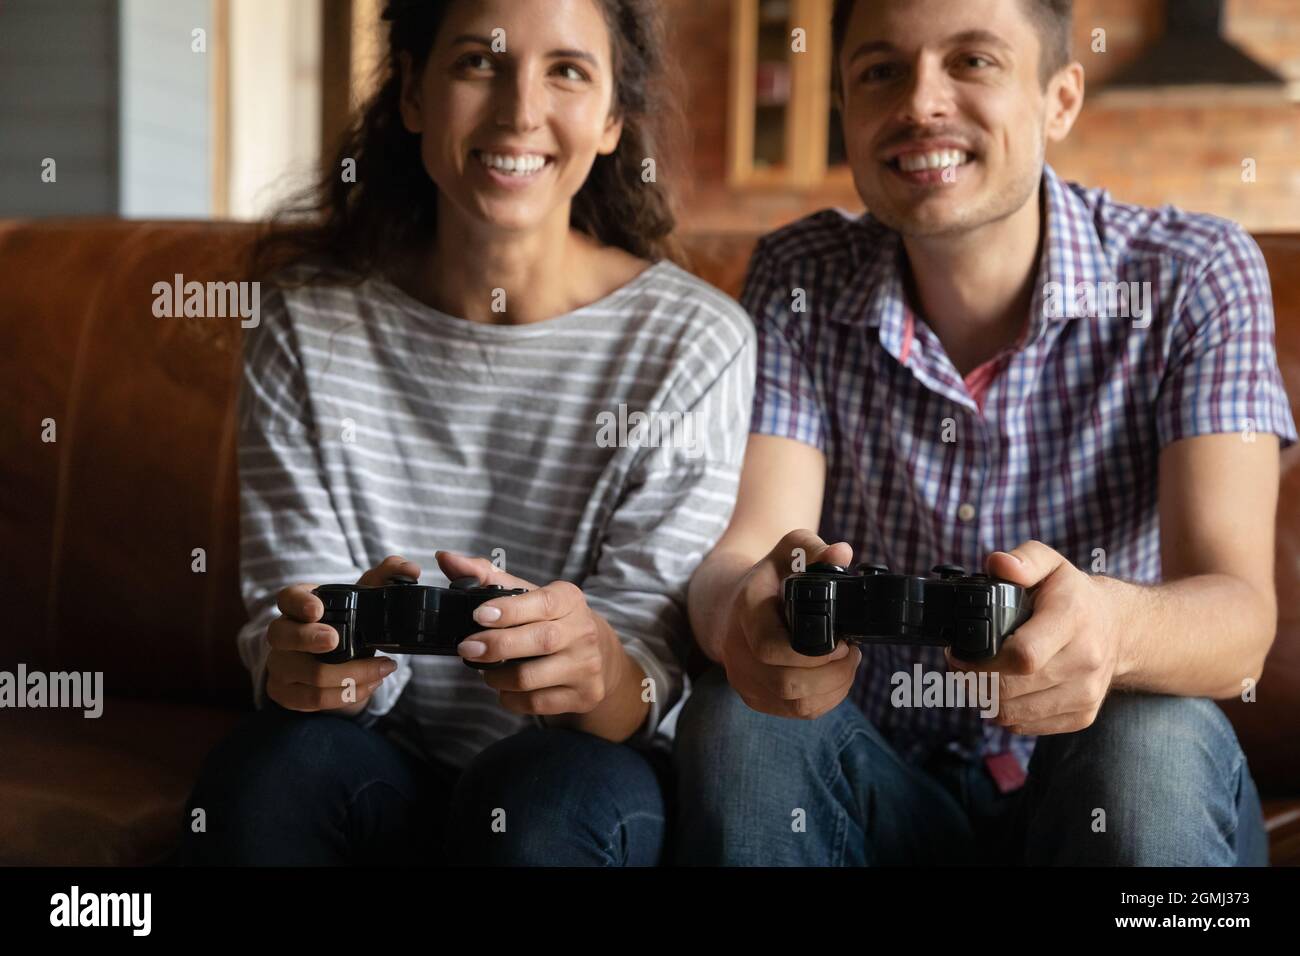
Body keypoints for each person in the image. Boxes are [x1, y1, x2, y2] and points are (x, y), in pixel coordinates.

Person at [675, 0, 1295, 866]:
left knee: (1148, 736)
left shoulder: (1194, 275)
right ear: (845, 111)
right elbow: (746, 555)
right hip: (879, 778)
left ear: (1060, 99)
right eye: (880, 71)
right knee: (737, 714)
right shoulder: (798, 275)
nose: (920, 102)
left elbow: (1240, 621)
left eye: (973, 61)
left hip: (1097, 773)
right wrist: (746, 621)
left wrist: (1113, 628)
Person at [181, 0, 753, 866]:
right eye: (478, 63)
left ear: (611, 122)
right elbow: (283, 609)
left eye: (567, 70)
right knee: (266, 778)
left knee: (545, 813)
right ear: (412, 94)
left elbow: (647, 666)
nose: (519, 111)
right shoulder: (304, 324)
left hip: (579, 763)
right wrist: (307, 657)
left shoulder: (694, 343)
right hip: (373, 753)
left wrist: (594, 663)